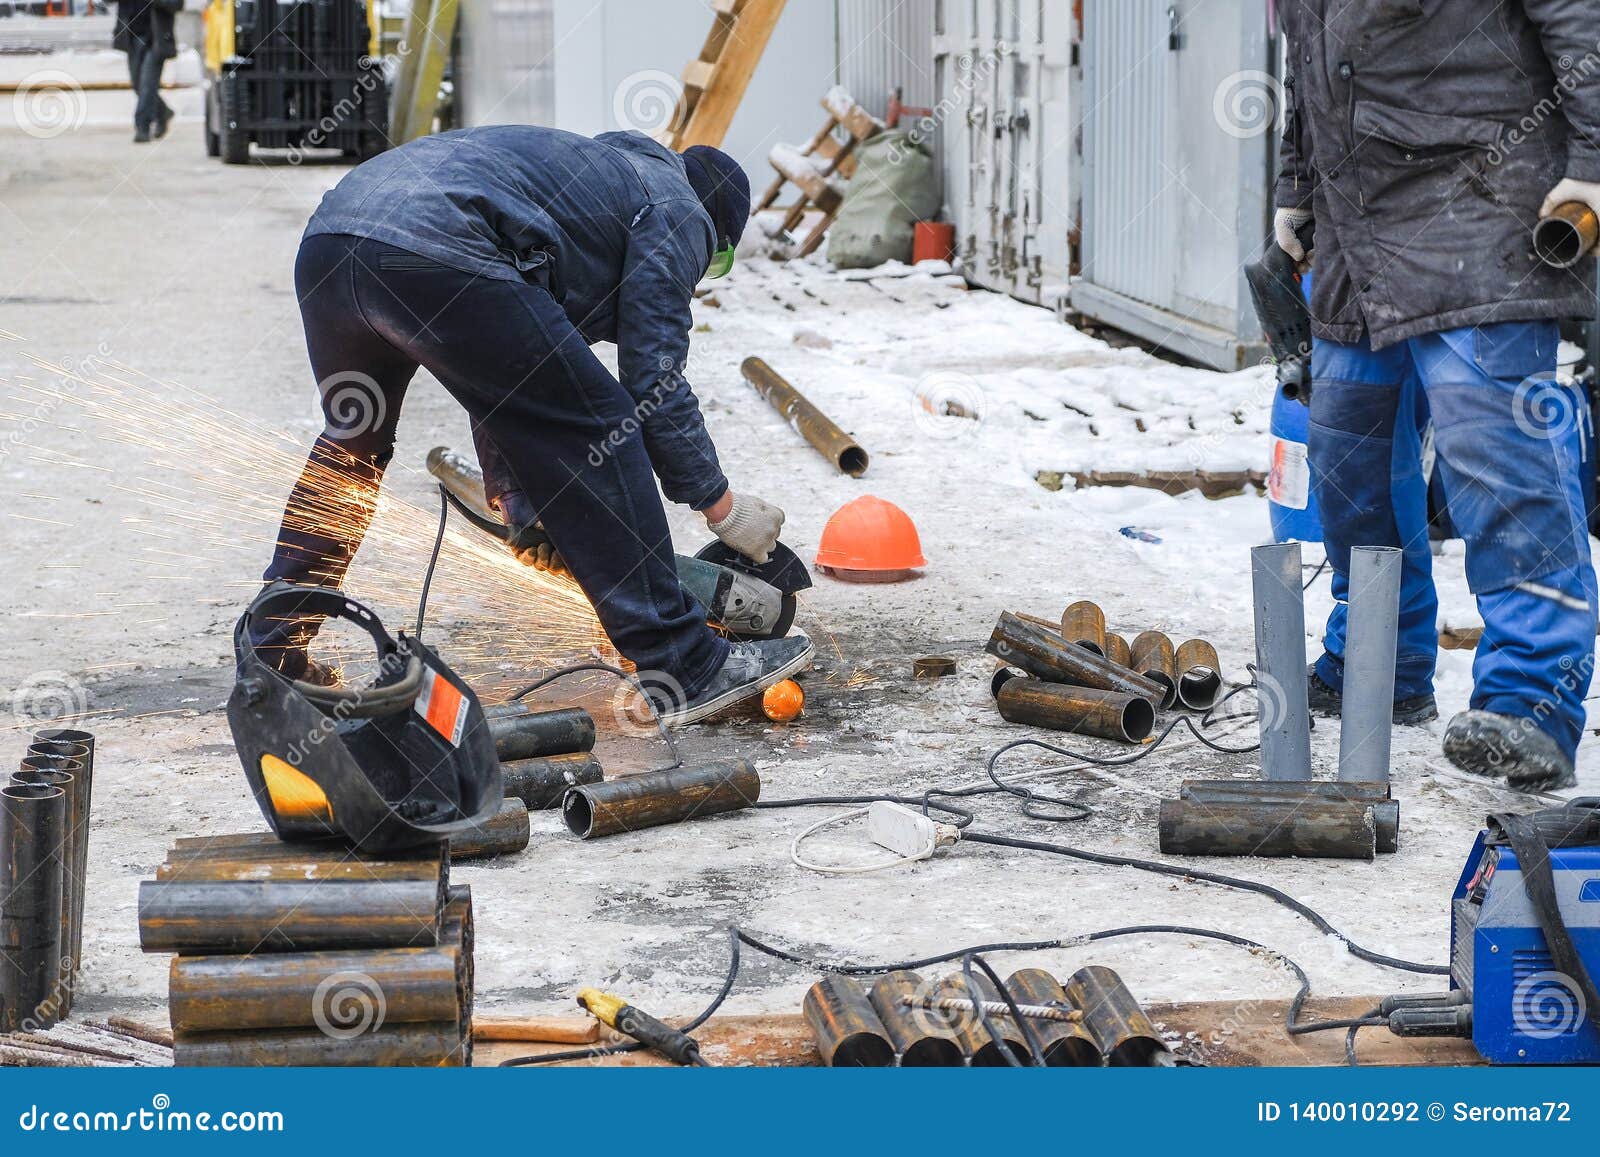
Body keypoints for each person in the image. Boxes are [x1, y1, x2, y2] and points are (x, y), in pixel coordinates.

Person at [254, 126, 812, 726]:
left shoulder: (588, 188)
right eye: (714, 262)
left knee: (352, 451)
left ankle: (273, 649)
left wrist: (521, 501)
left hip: (334, 245)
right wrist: (722, 506)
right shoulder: (679, 206)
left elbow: (502, 376)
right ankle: (687, 664)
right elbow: (653, 380)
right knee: (604, 427)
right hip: (430, 248)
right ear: (716, 230)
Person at [1275, 0, 1600, 791]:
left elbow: (1578, 16)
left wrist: (1592, 162)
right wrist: (1296, 182)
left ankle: (1531, 699)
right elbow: (1309, 55)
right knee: (1347, 450)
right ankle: (1383, 663)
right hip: (1357, 224)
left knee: (1494, 453)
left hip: (1478, 202)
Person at [112, 0, 180, 143]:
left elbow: (177, 4)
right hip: (132, 37)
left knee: (147, 84)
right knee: (137, 84)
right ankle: (162, 112)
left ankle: (142, 127)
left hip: (156, 38)